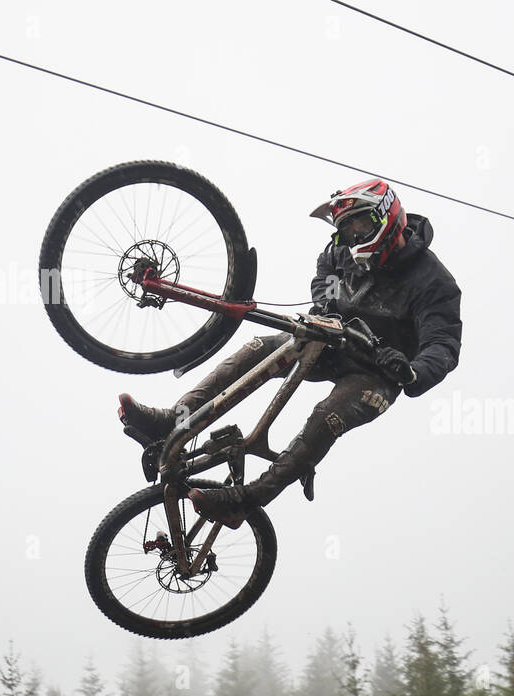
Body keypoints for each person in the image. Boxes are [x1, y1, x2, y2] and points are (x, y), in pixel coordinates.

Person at [116, 179, 462, 527]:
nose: (354, 236)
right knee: (260, 348)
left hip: (378, 373)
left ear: (388, 218)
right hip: (334, 341)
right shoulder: (345, 249)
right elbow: (326, 264)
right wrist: (325, 304)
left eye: (361, 226)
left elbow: (443, 345)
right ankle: (171, 422)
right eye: (347, 230)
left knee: (328, 415)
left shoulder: (434, 281)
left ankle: (248, 499)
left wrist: (412, 370)